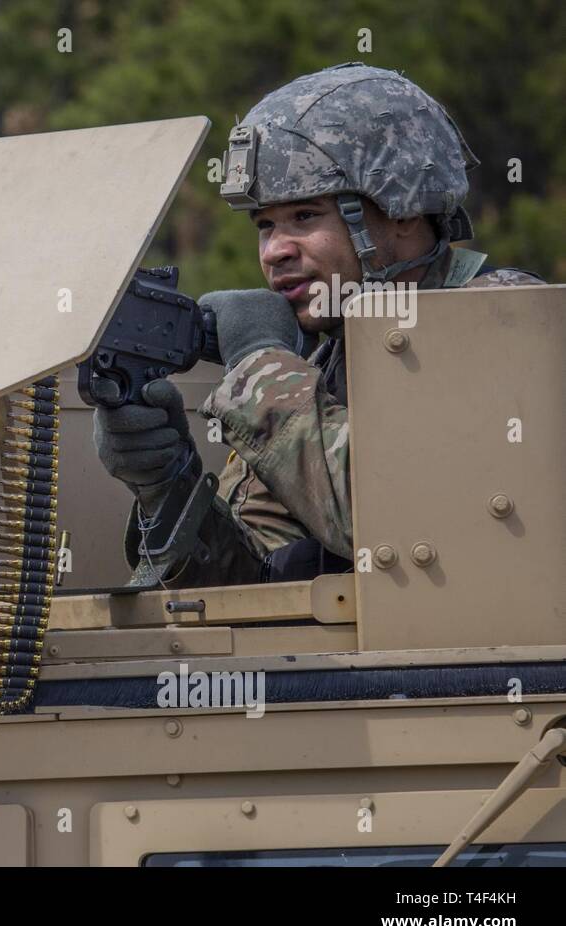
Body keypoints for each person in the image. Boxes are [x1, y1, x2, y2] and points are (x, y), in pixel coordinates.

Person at [95, 63, 543, 587]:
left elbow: (409, 533)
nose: (275, 252)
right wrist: (167, 485)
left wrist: (260, 366)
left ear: (402, 213)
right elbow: (261, 580)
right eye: (265, 225)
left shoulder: (507, 317)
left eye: (305, 217)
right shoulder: (327, 361)